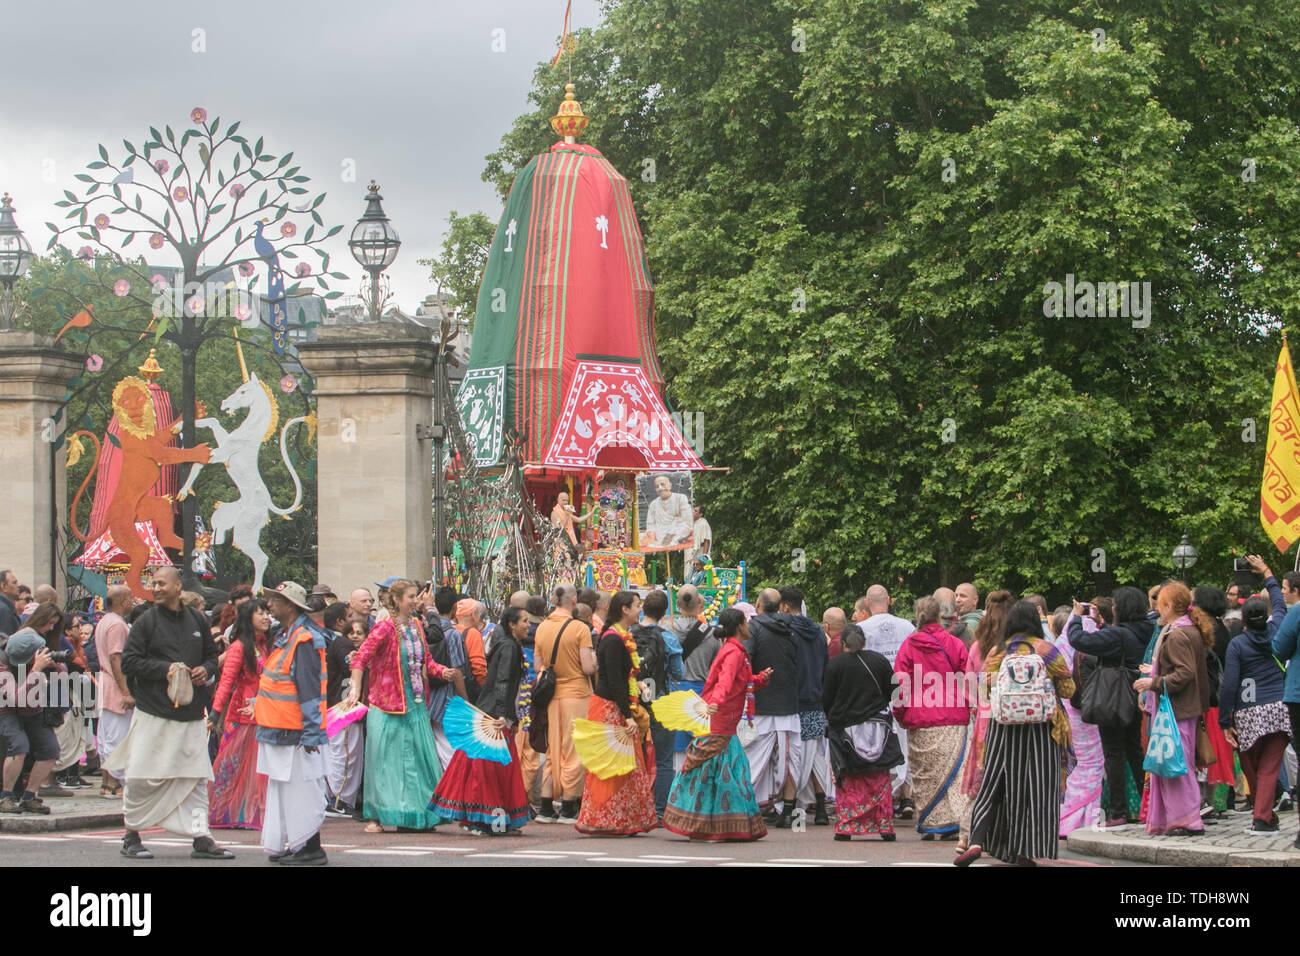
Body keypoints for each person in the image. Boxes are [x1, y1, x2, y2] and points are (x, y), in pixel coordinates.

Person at [108, 567, 235, 860]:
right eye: (153, 583)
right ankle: (132, 836)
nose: (156, 588)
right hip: (153, 711)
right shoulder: (144, 622)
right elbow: (129, 663)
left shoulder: (197, 620)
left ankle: (201, 838)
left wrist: (207, 670)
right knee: (141, 776)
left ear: (178, 586)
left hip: (191, 714)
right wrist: (166, 669)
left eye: (161, 583)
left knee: (195, 779)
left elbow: (210, 657)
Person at [956, 600, 1075, 867]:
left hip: (1002, 727)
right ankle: (1025, 850)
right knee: (1035, 787)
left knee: (994, 783)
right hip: (1042, 729)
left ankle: (976, 840)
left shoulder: (999, 650)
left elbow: (984, 690)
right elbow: (1069, 690)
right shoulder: (1047, 650)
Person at [344, 579, 462, 833]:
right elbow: (362, 657)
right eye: (410, 596)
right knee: (386, 761)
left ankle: (416, 813)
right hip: (387, 704)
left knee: (416, 761)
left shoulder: (417, 625)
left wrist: (444, 672)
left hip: (415, 703)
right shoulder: (385, 627)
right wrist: (354, 689)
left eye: (415, 595)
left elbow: (427, 662)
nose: (415, 599)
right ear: (397, 600)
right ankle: (377, 815)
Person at [662, 608, 772, 841]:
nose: (749, 626)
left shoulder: (734, 650)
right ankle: (718, 826)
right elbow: (724, 682)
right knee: (722, 775)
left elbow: (739, 682)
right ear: (739, 627)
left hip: (724, 721)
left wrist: (759, 679)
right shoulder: (733, 653)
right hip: (720, 721)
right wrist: (717, 703)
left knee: (714, 773)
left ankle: (709, 825)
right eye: (746, 622)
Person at [430, 606, 530, 835]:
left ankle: (488, 819)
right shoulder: (510, 647)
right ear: (512, 625)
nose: (528, 625)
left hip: (492, 712)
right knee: (490, 769)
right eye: (524, 621)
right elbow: (503, 681)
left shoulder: (506, 645)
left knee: (487, 767)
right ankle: (481, 820)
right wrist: (504, 715)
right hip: (495, 717)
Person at [253, 582, 329, 864]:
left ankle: (310, 847)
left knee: (300, 790)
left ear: (291, 606)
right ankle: (301, 844)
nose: (269, 604)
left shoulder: (302, 639)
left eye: (275, 600)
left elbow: (309, 691)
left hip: (293, 731)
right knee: (289, 790)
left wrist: (311, 734)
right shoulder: (288, 636)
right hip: (281, 728)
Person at [1066, 586, 1153, 828]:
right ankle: (1150, 804)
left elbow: (1079, 640)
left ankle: (1118, 811)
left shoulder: (1118, 635)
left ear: (1123, 608)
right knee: (1134, 750)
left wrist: (1076, 618)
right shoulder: (1145, 630)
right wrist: (1102, 624)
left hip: (1114, 697)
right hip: (1134, 694)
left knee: (1114, 752)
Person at [575, 590, 658, 835]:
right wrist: (628, 714)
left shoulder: (623, 636)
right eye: (636, 605)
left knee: (626, 763)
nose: (639, 610)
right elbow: (613, 681)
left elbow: (624, 676)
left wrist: (638, 683)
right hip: (609, 707)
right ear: (624, 609)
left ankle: (621, 818)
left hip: (618, 705)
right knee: (610, 764)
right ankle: (604, 818)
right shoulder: (613, 639)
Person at [1135, 582, 1212, 837]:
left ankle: (1187, 820)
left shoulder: (1177, 633)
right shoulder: (1185, 629)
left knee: (1176, 765)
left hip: (1177, 709)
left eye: (1160, 603)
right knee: (1176, 764)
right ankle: (1177, 818)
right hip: (1181, 708)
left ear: (1168, 606)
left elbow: (1184, 673)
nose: (1156, 608)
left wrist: (1153, 682)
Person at [1221, 557, 1290, 833]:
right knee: (1270, 766)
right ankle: (1266, 817)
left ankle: (1261, 818)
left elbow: (1229, 684)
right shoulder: (1277, 631)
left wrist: (1225, 720)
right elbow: (1281, 605)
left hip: (1248, 712)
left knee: (1254, 767)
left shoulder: (1237, 644)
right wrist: (1268, 574)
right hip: (1278, 707)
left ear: (1243, 619)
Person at [893, 596, 968, 840]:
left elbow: (900, 685)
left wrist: (900, 714)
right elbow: (968, 679)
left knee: (925, 773)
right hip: (953, 715)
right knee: (952, 774)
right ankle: (953, 821)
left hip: (921, 716)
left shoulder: (908, 646)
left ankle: (929, 820)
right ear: (939, 616)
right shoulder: (955, 644)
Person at [823, 622, 900, 841]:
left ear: (843, 643)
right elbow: (895, 691)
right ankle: (884, 825)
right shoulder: (880, 661)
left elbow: (826, 699)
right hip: (878, 728)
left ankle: (847, 826)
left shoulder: (835, 665)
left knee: (848, 777)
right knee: (879, 775)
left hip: (845, 730)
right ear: (865, 641)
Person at [955, 589, 1012, 851]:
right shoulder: (1017, 646)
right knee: (1010, 778)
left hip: (984, 720)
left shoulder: (978, 647)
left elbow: (969, 686)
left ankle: (966, 834)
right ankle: (1005, 835)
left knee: (980, 779)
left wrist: (977, 709)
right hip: (1012, 722)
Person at [207, 599, 272, 829]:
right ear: (247, 618)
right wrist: (215, 714)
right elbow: (225, 682)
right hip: (241, 715)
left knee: (258, 768)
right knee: (230, 765)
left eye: (267, 612)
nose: (266, 617)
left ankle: (252, 812)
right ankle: (218, 810)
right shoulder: (238, 647)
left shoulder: (265, 645)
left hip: (264, 713)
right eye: (261, 613)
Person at [744, 587, 801, 826]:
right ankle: (788, 811)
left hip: (762, 702)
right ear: (781, 606)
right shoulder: (797, 628)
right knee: (789, 760)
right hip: (790, 702)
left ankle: (744, 807)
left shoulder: (753, 628)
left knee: (753, 758)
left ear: (758, 604)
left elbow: (746, 661)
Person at [0, 609, 67, 814]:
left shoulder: (34, 659)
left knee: (50, 749)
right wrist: (36, 671)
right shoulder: (3, 668)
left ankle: (30, 796)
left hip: (32, 710)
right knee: (19, 745)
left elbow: (63, 675)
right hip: (7, 711)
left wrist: (56, 667)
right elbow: (17, 700)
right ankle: (6, 796)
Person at [533, 583, 589, 823]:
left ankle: (546, 806)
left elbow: (538, 666)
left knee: (553, 748)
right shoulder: (580, 628)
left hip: (552, 695)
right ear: (574, 601)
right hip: (576, 693)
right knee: (574, 749)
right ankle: (568, 805)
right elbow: (587, 666)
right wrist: (594, 663)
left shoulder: (542, 627)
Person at [859, 584, 916, 817]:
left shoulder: (861, 629)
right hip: (902, 693)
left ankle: (883, 797)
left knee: (878, 747)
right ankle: (906, 797)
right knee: (904, 746)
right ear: (889, 600)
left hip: (875, 696)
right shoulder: (907, 626)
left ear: (866, 604)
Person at [783, 585, 834, 826]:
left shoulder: (785, 630)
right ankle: (822, 808)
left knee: (793, 753)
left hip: (793, 699)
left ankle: (789, 808)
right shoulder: (818, 631)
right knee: (815, 754)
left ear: (784, 606)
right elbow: (825, 664)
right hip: (816, 697)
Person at [633, 589, 684, 818]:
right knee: (664, 759)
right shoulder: (668, 637)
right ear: (664, 612)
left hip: (633, 697)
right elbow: (678, 673)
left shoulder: (628, 633)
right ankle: (660, 811)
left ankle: (634, 809)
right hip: (660, 697)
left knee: (633, 755)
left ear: (642, 607)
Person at [1053, 604, 1103, 836]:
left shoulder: (1059, 647)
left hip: (1068, 712)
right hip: (1093, 712)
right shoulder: (1100, 643)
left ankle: (1064, 817)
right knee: (1092, 765)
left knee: (1073, 765)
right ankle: (1089, 817)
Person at [670, 586, 720, 767]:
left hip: (674, 692)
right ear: (699, 603)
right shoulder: (712, 634)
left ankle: (677, 791)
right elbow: (718, 667)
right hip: (702, 694)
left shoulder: (668, 630)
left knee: (677, 751)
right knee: (701, 747)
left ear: (677, 603)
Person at [94, 586, 134, 798]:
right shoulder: (117, 625)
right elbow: (115, 657)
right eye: (129, 598)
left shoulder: (104, 622)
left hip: (107, 684)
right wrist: (126, 691)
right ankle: (117, 784)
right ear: (121, 601)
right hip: (116, 686)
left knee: (107, 736)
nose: (132, 601)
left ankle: (108, 783)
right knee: (118, 737)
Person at [326, 615, 366, 815]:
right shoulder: (343, 651)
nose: (355, 637)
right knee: (343, 755)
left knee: (351, 756)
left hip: (357, 714)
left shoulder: (367, 655)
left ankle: (343, 800)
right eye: (351, 633)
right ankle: (337, 799)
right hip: (342, 711)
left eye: (360, 633)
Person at [643, 474, 693, 548]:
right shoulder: (653, 504)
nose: (660, 488)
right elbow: (650, 525)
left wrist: (673, 535)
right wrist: (652, 535)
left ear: (670, 485)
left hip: (677, 536)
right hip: (658, 538)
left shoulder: (680, 498)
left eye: (662, 484)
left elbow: (688, 523)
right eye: (657, 486)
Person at [454, 598, 488, 701]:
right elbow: (478, 667)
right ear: (474, 614)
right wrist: (485, 689)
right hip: (469, 692)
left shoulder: (451, 630)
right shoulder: (473, 633)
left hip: (452, 688)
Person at [686, 504, 713, 570]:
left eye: (695, 511)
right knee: (688, 576)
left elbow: (707, 541)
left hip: (699, 553)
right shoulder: (691, 524)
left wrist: (703, 558)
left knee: (697, 575)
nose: (692, 512)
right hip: (689, 553)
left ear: (700, 514)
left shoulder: (703, 523)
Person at [0, 570, 22, 637]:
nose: (18, 586)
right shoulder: (4, 610)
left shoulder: (6, 608)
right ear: (3, 586)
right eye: (14, 583)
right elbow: (5, 642)